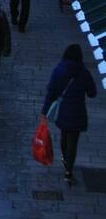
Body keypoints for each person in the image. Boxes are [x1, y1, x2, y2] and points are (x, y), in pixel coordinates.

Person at [40, 43, 98, 183]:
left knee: (64, 134)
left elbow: (51, 92)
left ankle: (65, 158)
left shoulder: (59, 70)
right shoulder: (83, 73)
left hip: (63, 110)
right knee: (73, 140)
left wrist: (45, 111)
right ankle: (68, 170)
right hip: (78, 110)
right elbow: (92, 93)